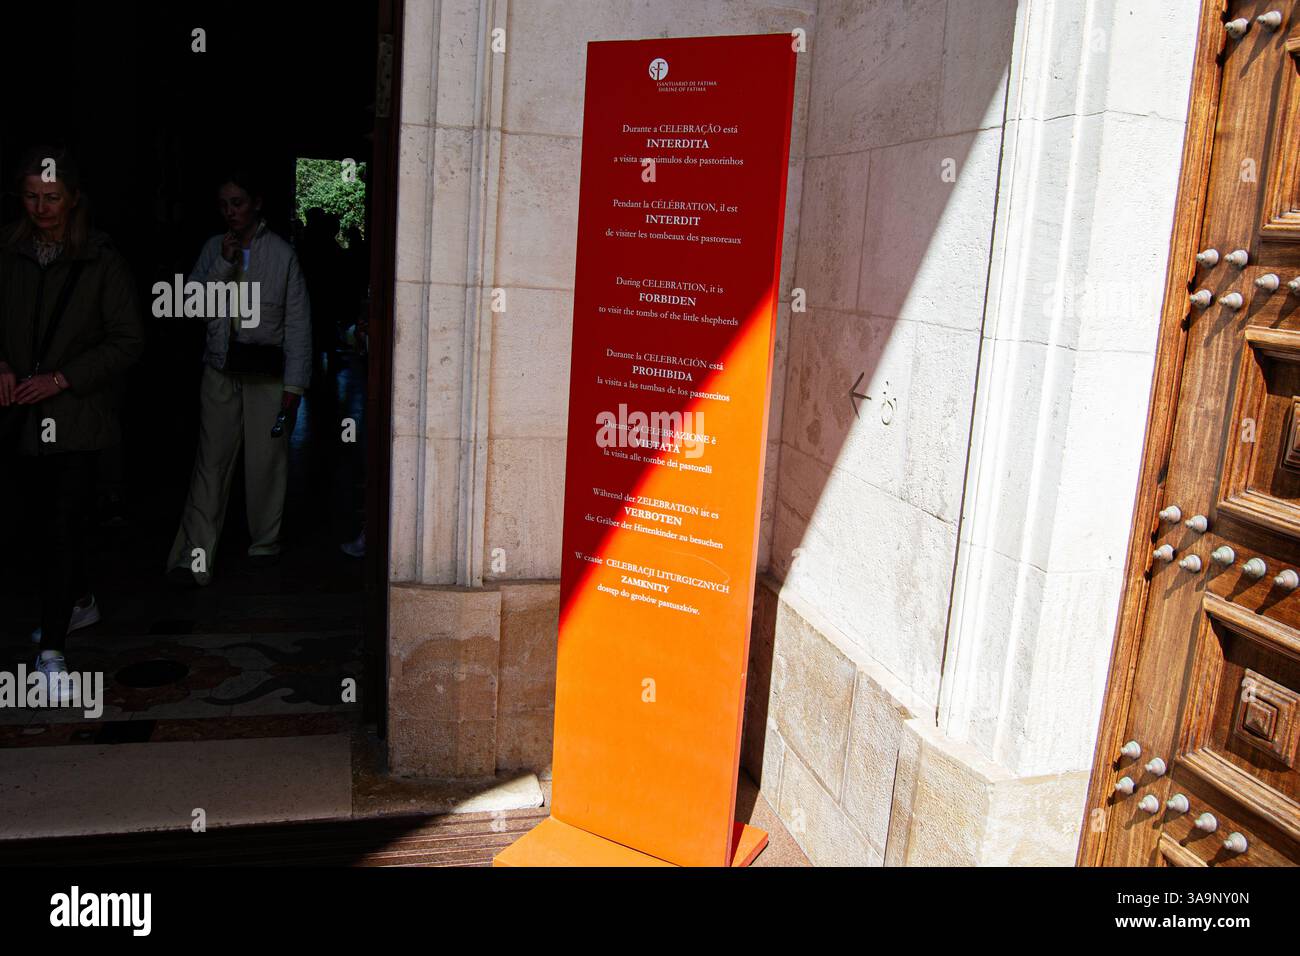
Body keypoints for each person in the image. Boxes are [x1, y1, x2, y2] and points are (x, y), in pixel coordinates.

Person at [0, 146, 144, 700]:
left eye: (52, 197)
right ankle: (77, 600)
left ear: (74, 197)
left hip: (73, 418)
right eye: (32, 196)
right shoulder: (7, 252)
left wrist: (64, 378)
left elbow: (128, 339)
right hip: (16, 414)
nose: (41, 207)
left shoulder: (101, 261)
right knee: (29, 528)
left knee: (62, 528)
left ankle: (52, 650)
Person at [166, 170, 311, 585]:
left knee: (267, 462)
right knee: (210, 462)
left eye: (238, 203)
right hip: (219, 369)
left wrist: (294, 388)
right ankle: (196, 557)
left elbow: (299, 325)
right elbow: (191, 304)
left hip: (266, 373)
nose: (231, 212)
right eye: (224, 204)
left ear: (257, 203)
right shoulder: (214, 248)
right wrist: (223, 266)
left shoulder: (282, 255)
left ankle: (265, 543)